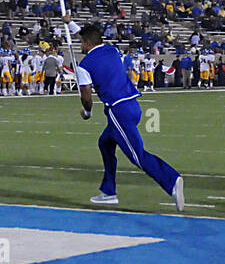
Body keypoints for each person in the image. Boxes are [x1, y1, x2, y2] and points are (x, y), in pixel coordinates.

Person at [68, 18, 183, 210]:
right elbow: (88, 34)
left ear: (87, 44)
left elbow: (86, 97)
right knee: (105, 143)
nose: (80, 45)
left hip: (118, 111)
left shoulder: (84, 66)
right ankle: (108, 192)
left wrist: (87, 112)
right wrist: (70, 23)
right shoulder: (111, 50)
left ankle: (171, 180)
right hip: (133, 106)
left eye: (81, 42)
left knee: (137, 156)